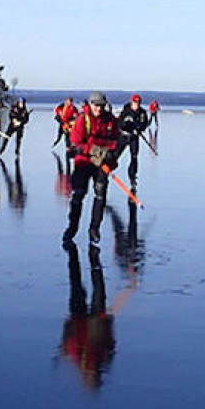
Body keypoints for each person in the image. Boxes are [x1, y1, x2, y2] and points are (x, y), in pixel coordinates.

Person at [63, 91, 120, 246]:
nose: (99, 109)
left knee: (100, 195)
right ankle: (72, 228)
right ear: (90, 105)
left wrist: (109, 157)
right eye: (96, 106)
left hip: (102, 164)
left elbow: (116, 143)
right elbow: (75, 143)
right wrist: (93, 150)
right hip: (84, 162)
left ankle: (94, 229)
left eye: (101, 106)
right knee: (78, 194)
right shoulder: (83, 120)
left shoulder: (111, 121)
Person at [59, 241, 115, 390]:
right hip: (96, 320)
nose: (92, 371)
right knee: (98, 288)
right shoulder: (104, 357)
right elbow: (110, 340)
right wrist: (108, 323)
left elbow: (68, 336)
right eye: (94, 374)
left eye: (90, 374)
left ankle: (78, 256)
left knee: (76, 283)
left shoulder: (76, 356)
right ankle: (94, 258)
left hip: (80, 319)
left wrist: (65, 342)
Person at [116, 93, 150, 190]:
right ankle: (107, 170)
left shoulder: (142, 113)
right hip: (123, 136)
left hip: (134, 137)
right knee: (115, 154)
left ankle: (132, 177)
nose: (137, 105)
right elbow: (120, 123)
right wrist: (127, 125)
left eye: (138, 103)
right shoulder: (126, 110)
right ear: (132, 102)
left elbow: (143, 125)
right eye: (135, 103)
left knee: (134, 157)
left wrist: (137, 127)